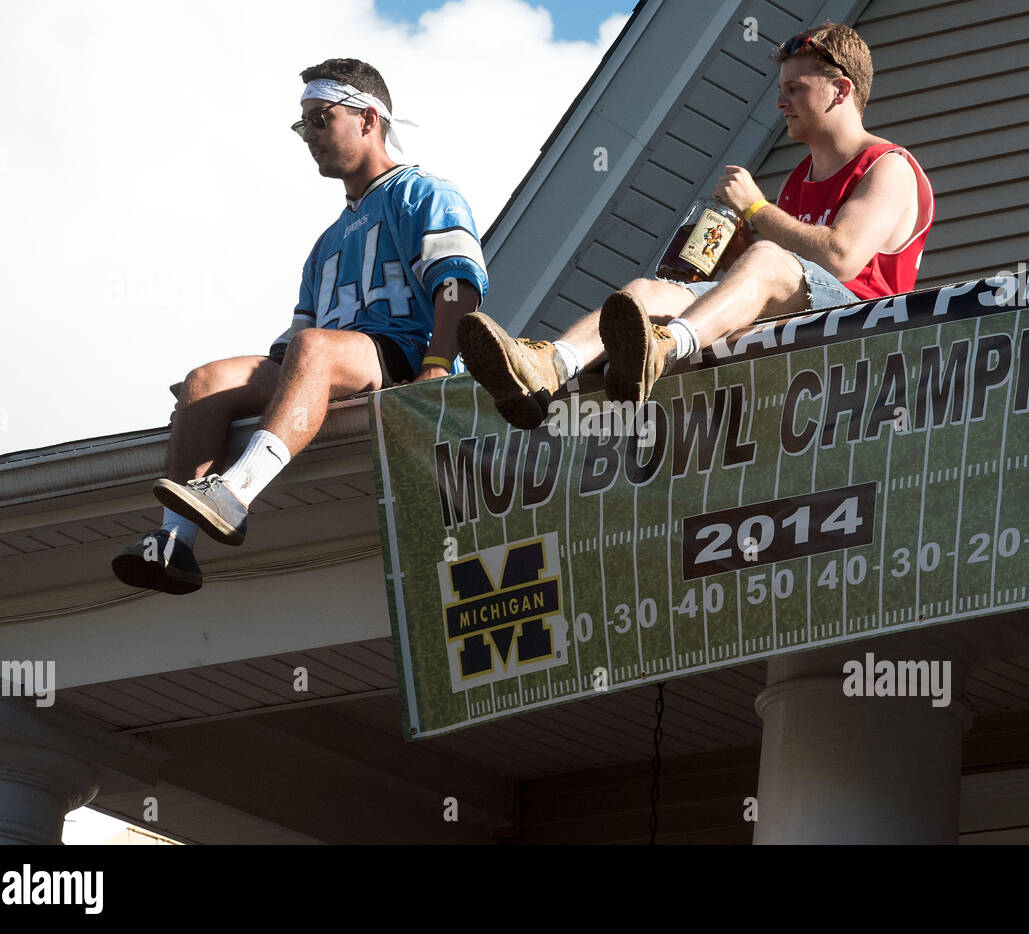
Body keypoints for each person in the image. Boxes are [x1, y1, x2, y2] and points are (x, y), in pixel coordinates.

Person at [111, 58, 487, 595]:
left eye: (320, 119)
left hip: (398, 360)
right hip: (325, 361)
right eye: (302, 124)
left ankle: (236, 492)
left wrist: (435, 366)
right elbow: (289, 351)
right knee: (206, 380)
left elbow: (458, 286)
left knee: (314, 347)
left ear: (368, 118)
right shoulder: (325, 243)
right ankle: (175, 542)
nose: (308, 135)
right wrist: (228, 396)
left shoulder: (425, 194)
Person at [458, 23, 933, 430]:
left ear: (841, 90)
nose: (780, 102)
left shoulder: (887, 166)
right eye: (781, 89)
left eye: (795, 88)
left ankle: (666, 349)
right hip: (798, 335)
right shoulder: (797, 182)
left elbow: (840, 257)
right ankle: (545, 366)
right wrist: (736, 255)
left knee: (766, 259)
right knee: (650, 291)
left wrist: (757, 212)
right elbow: (786, 273)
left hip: (864, 339)